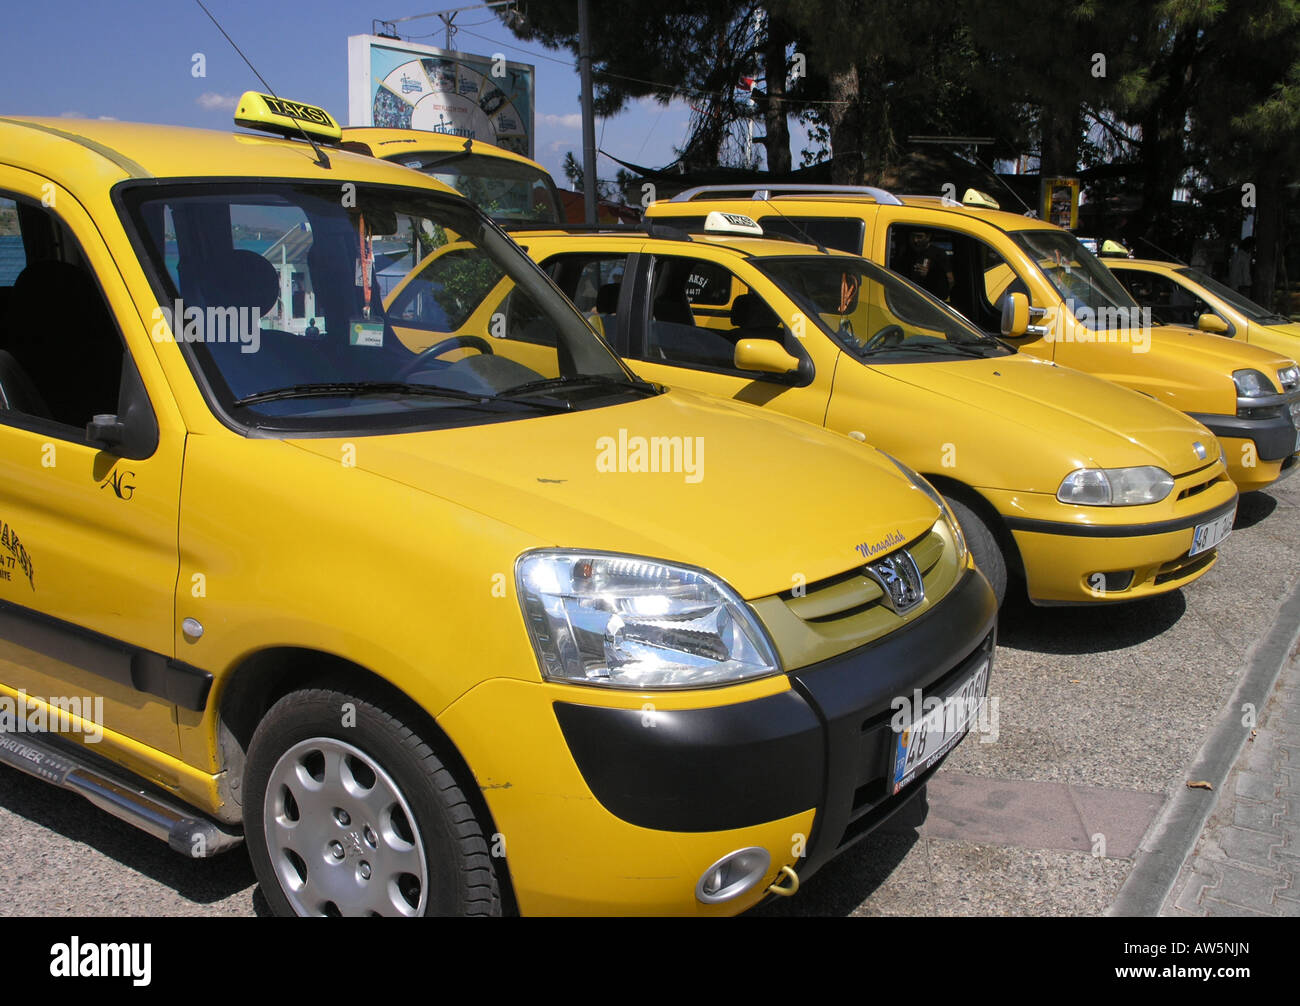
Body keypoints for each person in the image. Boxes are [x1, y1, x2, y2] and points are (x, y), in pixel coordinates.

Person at [896, 230, 955, 301]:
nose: (915, 240)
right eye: (912, 236)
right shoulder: (906, 254)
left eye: (919, 237)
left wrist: (930, 274)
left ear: (928, 237)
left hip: (930, 299)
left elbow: (950, 280)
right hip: (908, 297)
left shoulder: (938, 254)